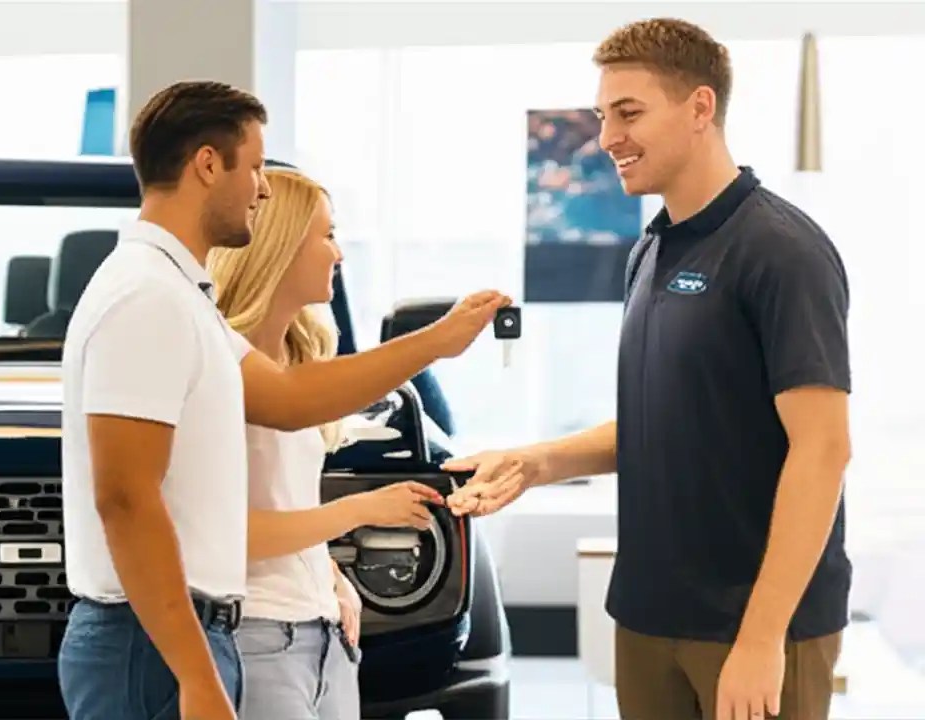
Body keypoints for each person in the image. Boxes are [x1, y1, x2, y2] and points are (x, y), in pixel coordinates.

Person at [59, 80, 508, 720]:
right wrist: (196, 678)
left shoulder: (181, 296)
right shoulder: (145, 297)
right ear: (208, 165)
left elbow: (291, 397)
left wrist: (438, 341)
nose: (264, 189)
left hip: (182, 634)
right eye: (257, 165)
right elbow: (126, 499)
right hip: (151, 643)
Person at [446, 18, 852, 720]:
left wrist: (761, 638)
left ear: (700, 108)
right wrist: (533, 462)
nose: (607, 138)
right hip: (647, 616)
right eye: (605, 117)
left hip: (751, 629)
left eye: (629, 113)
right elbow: (663, 423)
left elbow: (824, 449)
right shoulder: (650, 252)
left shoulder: (782, 251)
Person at [206, 168, 446, 719]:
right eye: (327, 235)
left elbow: (283, 504)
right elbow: (227, 533)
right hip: (256, 639)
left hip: (321, 634)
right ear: (280, 248)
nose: (338, 254)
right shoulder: (221, 375)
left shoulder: (295, 364)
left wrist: (334, 581)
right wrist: (361, 510)